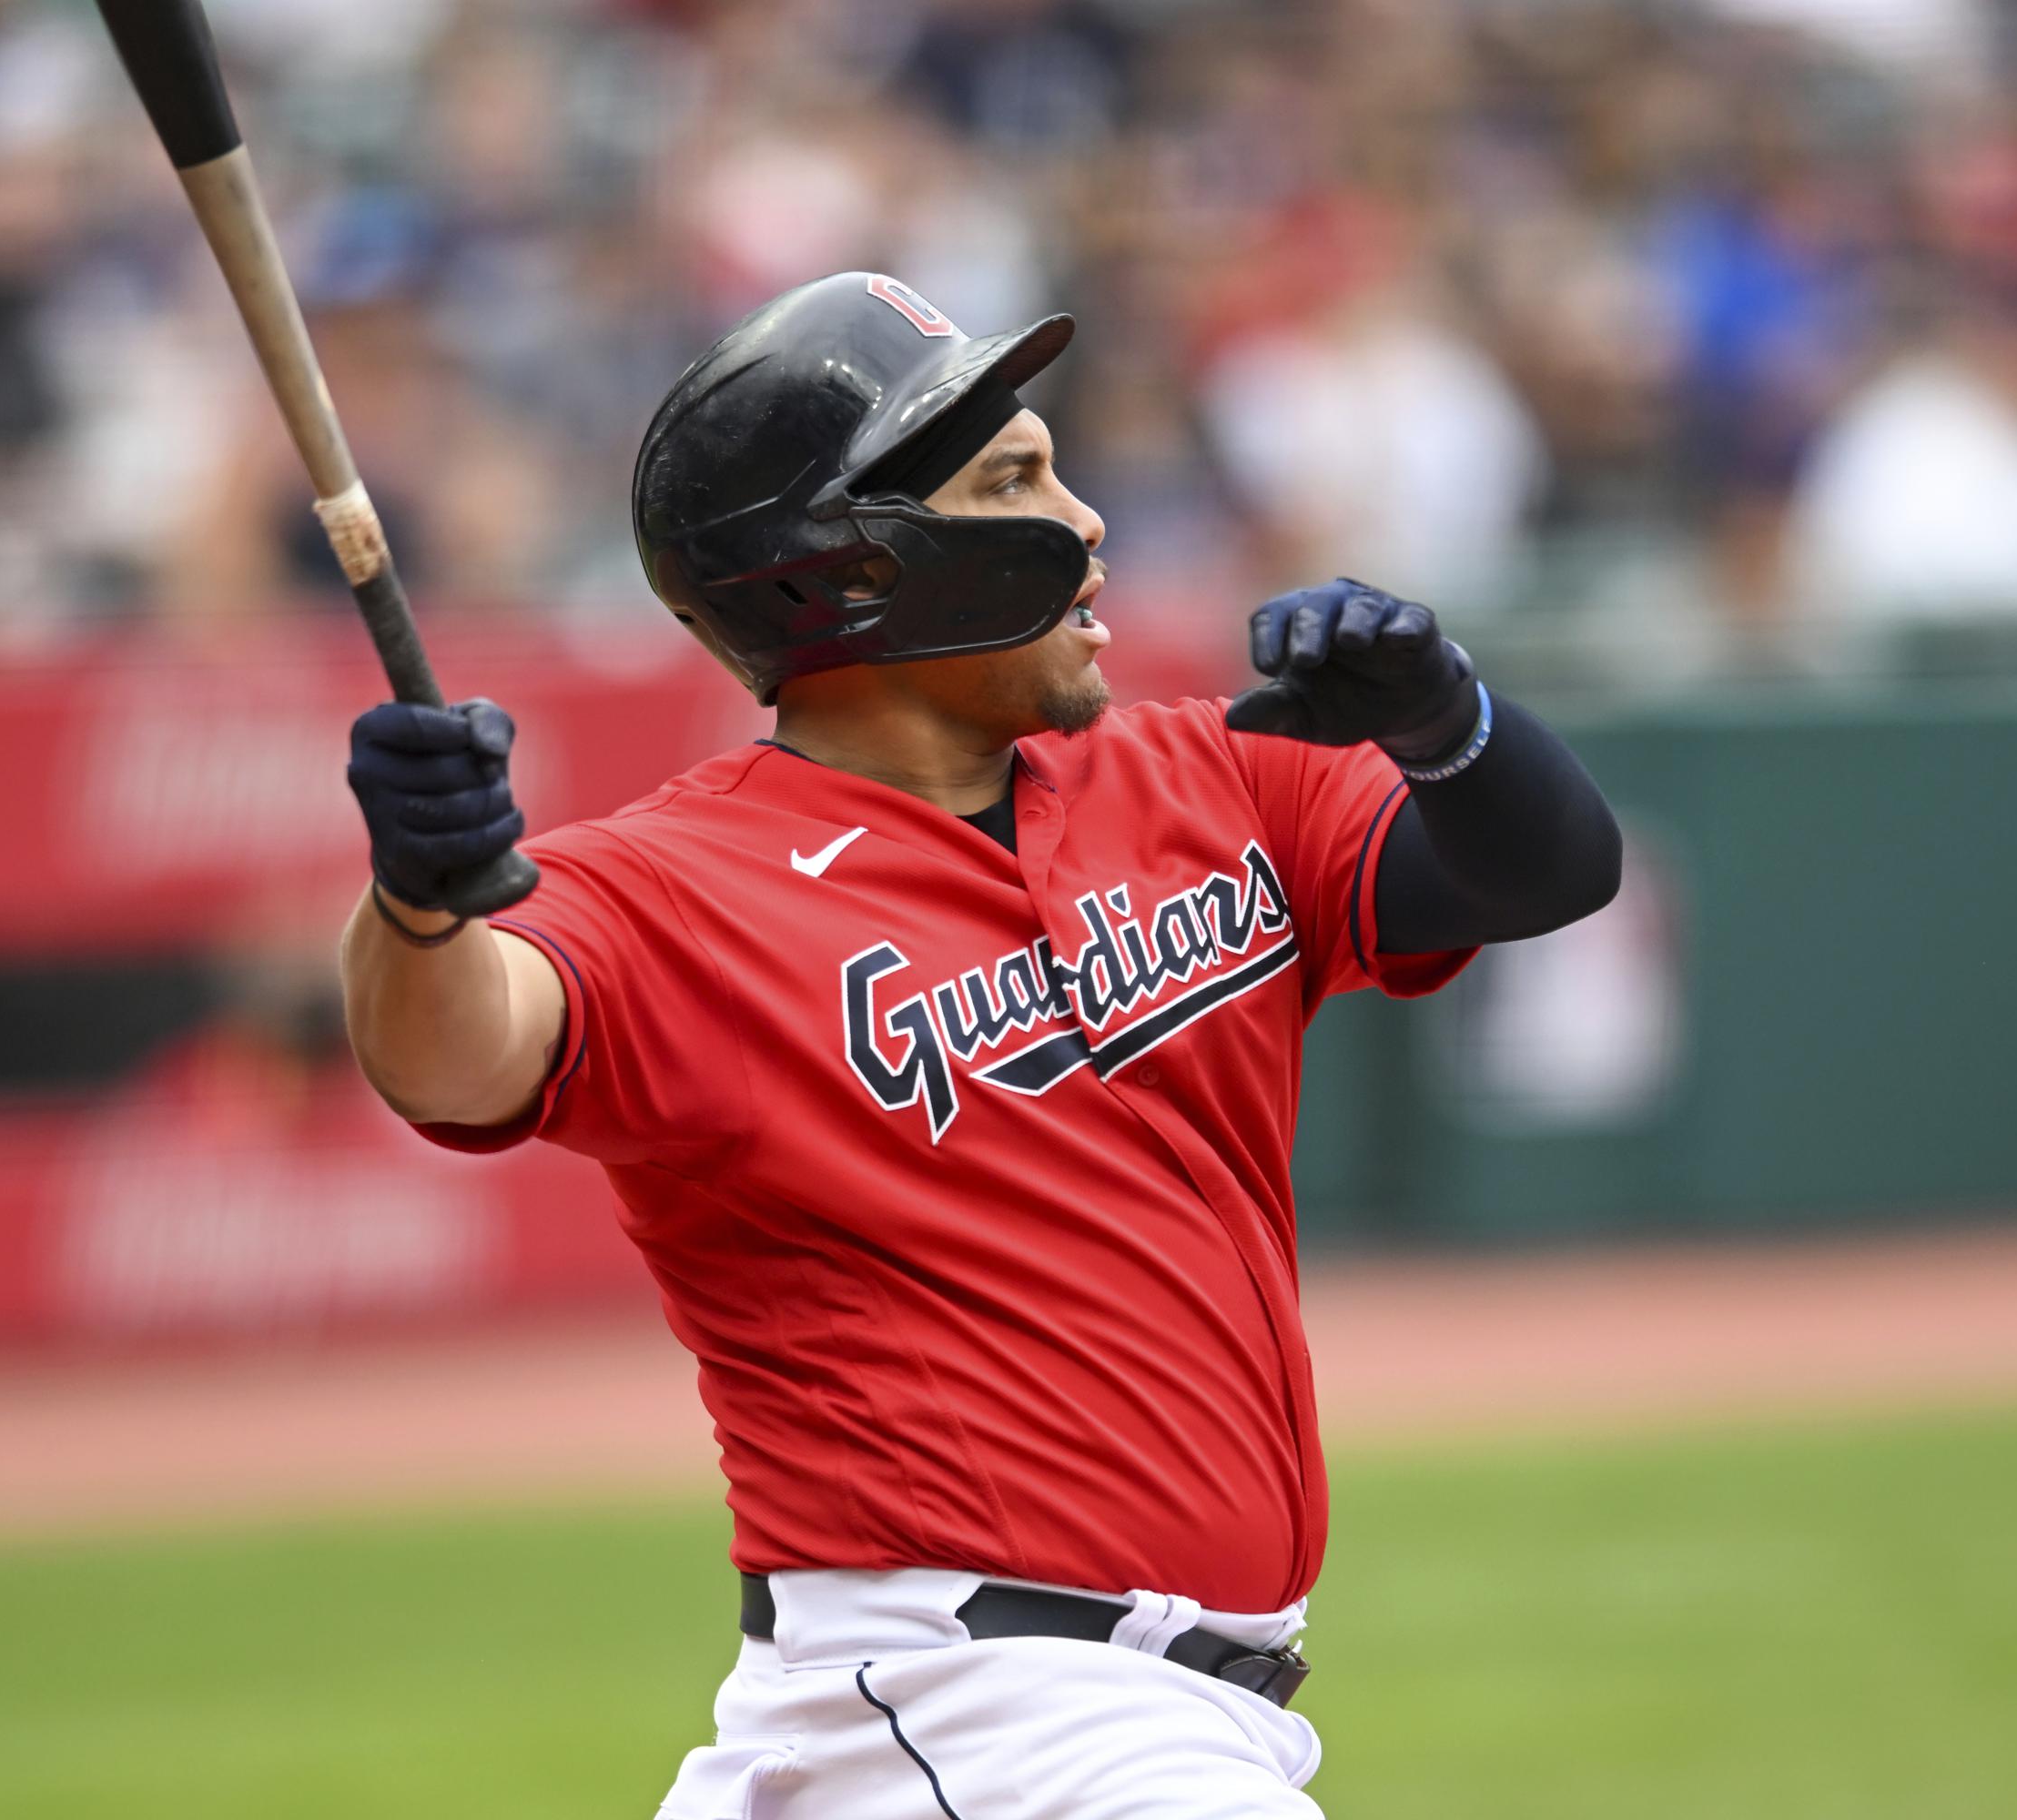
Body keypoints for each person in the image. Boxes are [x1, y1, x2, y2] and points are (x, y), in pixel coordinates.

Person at [338, 272, 1622, 1818]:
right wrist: (417, 904)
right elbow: (460, 1053)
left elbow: (1545, 872)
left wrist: (1445, 716)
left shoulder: (1211, 774)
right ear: (856, 573)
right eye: (1014, 481)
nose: (1086, 524)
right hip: (987, 1699)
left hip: (1084, 1724)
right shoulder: (679, 886)